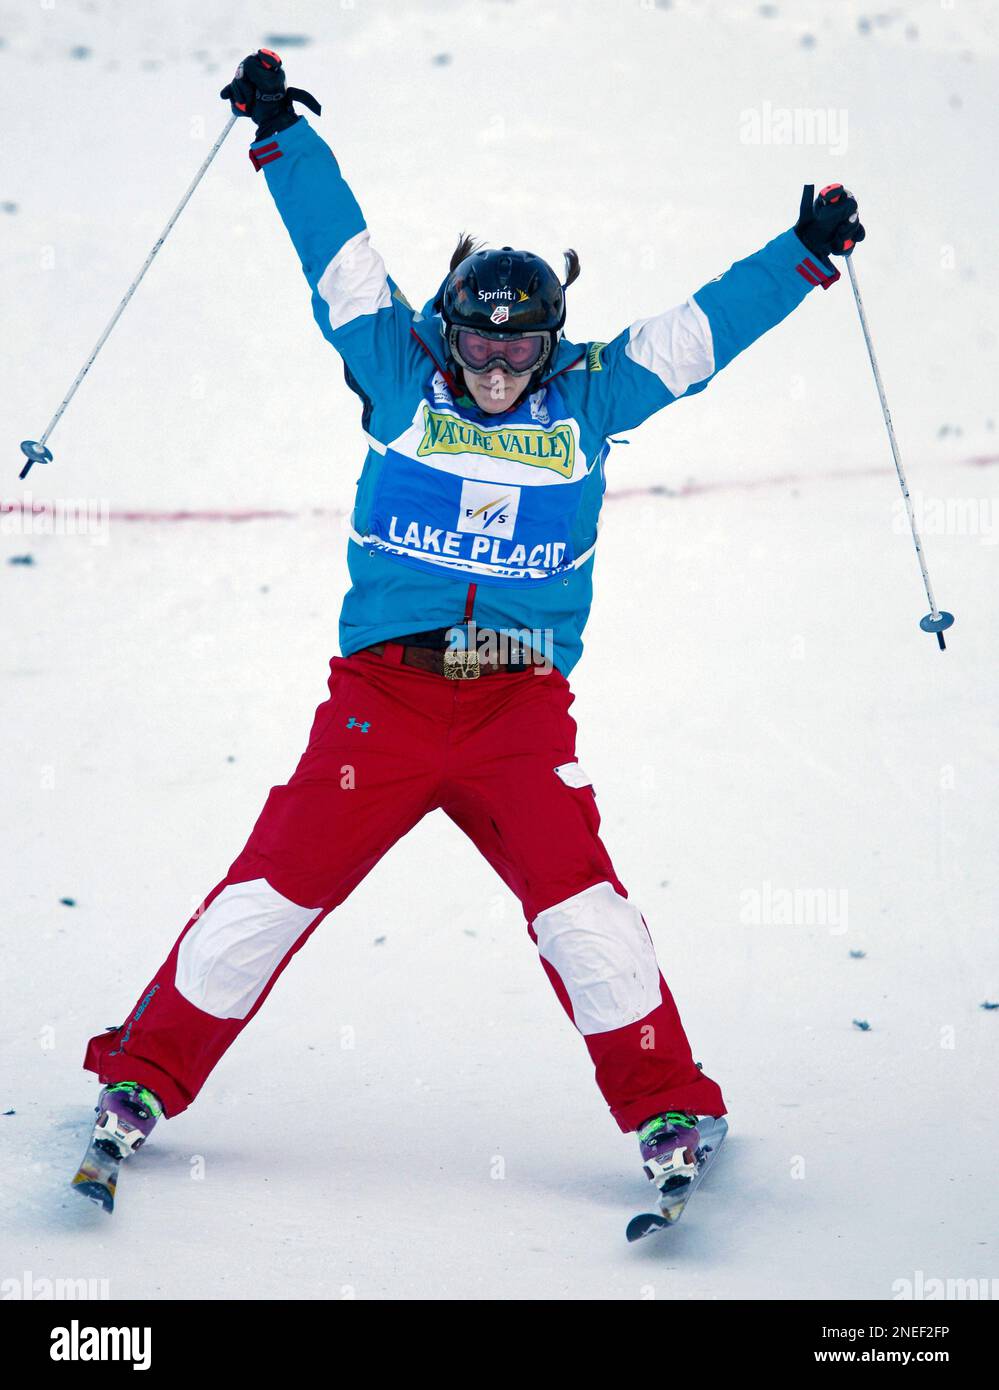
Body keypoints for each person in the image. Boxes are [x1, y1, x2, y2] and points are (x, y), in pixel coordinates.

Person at [82, 50, 864, 1209]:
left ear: (552, 342)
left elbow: (699, 333)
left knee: (581, 910)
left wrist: (801, 256)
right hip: (382, 703)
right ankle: (137, 1082)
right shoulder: (397, 371)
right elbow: (340, 261)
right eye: (481, 343)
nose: (499, 367)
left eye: (521, 347)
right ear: (448, 329)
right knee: (268, 896)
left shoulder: (594, 398)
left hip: (514, 704)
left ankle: (668, 1110)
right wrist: (281, 135)